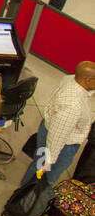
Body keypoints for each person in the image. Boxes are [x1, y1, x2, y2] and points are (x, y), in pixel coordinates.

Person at [18, 61, 95, 189]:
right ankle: (27, 197)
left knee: (38, 164)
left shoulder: (70, 80)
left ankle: (26, 188)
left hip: (48, 128)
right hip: (61, 145)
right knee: (46, 176)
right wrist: (49, 162)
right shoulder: (73, 106)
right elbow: (58, 135)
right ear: (87, 80)